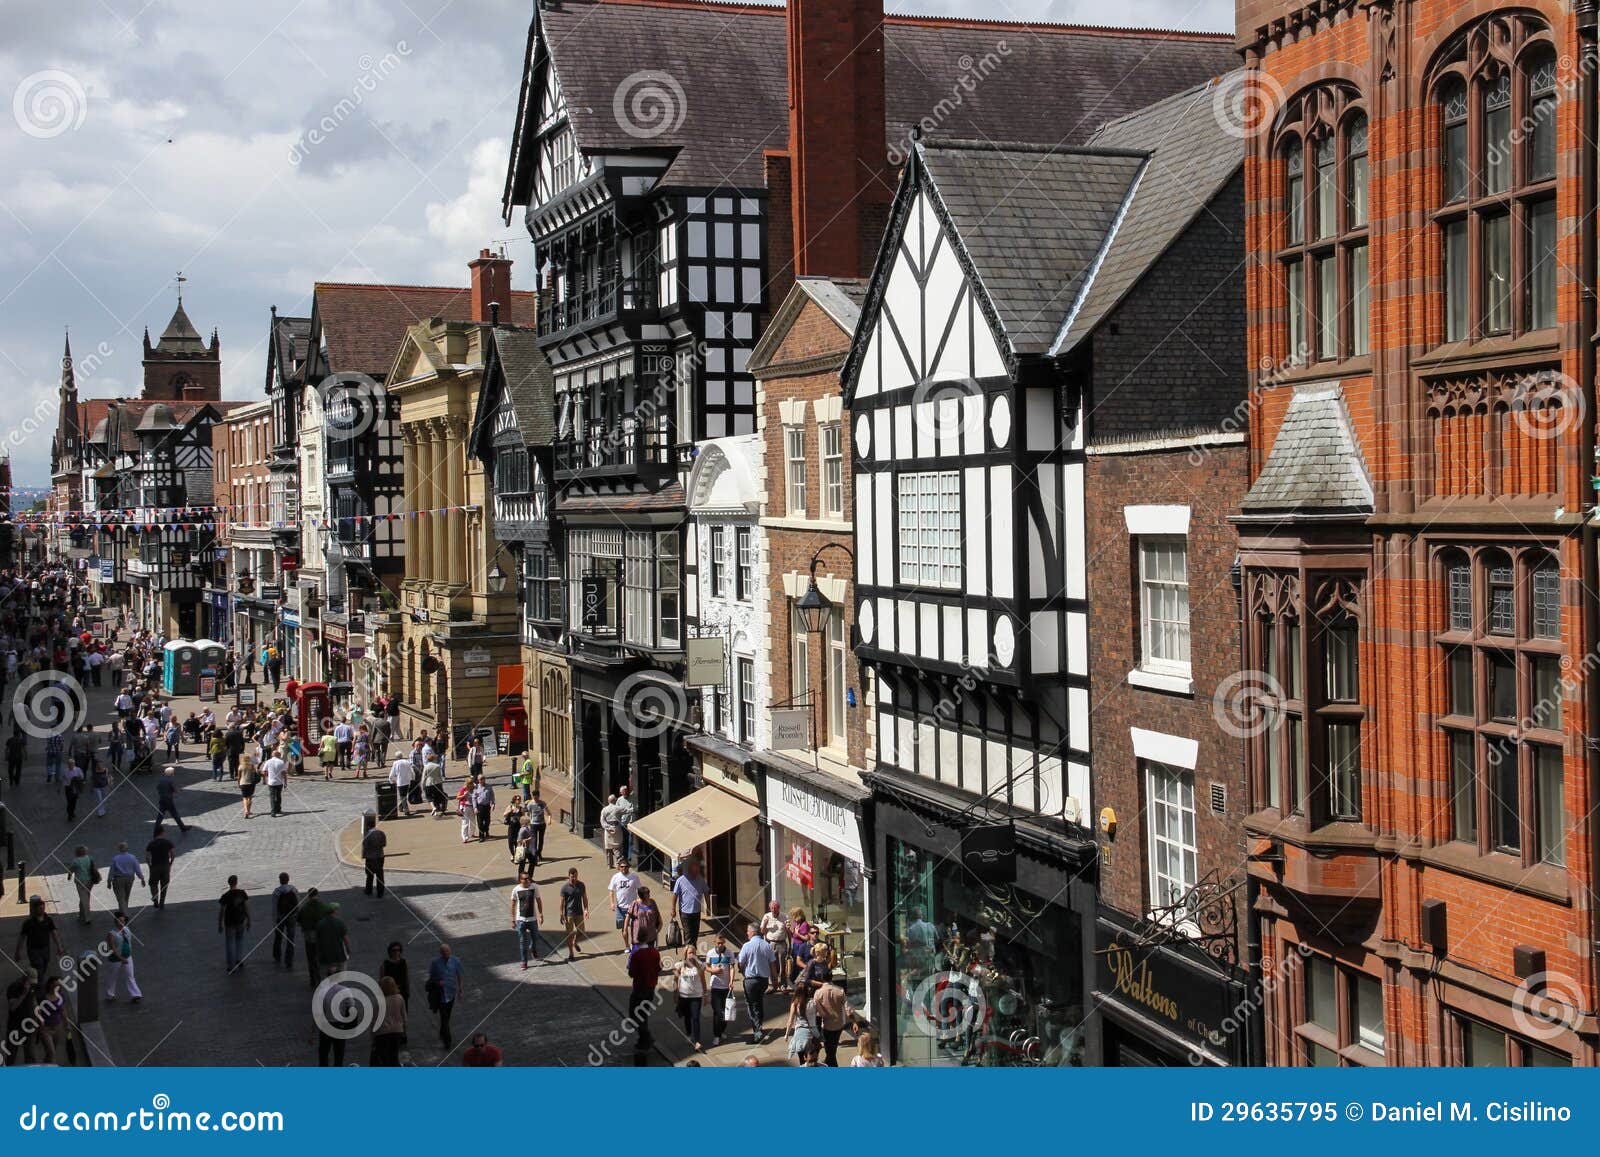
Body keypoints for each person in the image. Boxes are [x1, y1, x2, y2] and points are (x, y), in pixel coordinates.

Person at [736, 922, 776, 1045]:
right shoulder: (767, 946)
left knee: (751, 1005)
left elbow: (740, 963)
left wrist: (742, 971)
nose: (747, 933)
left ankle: (757, 1031)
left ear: (752, 932)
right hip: (763, 980)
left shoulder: (746, 946)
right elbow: (772, 964)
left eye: (748, 931)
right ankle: (759, 1026)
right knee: (758, 1003)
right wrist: (775, 979)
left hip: (751, 980)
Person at [808, 978, 860, 1066]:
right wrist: (854, 1022)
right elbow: (848, 1009)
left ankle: (830, 1065)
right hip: (838, 1025)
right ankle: (828, 1064)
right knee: (832, 1050)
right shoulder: (840, 990)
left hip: (826, 1025)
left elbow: (817, 1012)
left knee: (830, 1051)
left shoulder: (818, 993)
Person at [626, 937, 662, 1056]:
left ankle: (646, 1037)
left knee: (633, 1014)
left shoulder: (637, 955)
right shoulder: (655, 953)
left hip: (639, 988)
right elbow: (659, 968)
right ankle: (643, 1041)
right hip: (650, 988)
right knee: (644, 1015)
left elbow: (631, 973)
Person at [15, 897, 63, 981]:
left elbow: (54, 933)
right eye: (40, 908)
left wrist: (59, 946)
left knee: (44, 965)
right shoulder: (28, 923)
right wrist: (18, 951)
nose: (42, 910)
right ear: (34, 909)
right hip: (33, 950)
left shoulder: (48, 920)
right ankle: (39, 984)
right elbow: (22, 938)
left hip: (45, 948)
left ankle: (35, 979)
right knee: (38, 967)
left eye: (43, 908)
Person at [426, 943, 465, 1049]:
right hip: (440, 994)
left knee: (447, 1015)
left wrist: (461, 989)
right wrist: (438, 982)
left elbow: (459, 975)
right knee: (444, 1016)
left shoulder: (456, 961)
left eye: (447, 952)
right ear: (440, 953)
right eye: (443, 952)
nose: (446, 954)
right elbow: (431, 978)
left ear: (450, 951)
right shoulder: (435, 963)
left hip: (451, 993)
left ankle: (442, 1031)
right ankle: (448, 1041)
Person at [673, 944, 709, 1052]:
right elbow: (675, 980)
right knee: (687, 1017)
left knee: (696, 1018)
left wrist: (706, 995)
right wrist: (675, 993)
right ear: (685, 954)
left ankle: (697, 1041)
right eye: (689, 953)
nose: (692, 955)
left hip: (696, 996)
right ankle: (689, 1034)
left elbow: (703, 981)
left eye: (693, 952)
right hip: (684, 996)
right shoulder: (679, 965)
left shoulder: (700, 965)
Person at [103, 911, 142, 1004]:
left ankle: (136, 994)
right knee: (113, 977)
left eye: (123, 921)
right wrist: (121, 958)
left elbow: (129, 942)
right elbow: (112, 948)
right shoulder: (111, 934)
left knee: (130, 975)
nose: (122, 923)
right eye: (120, 921)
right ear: (116, 922)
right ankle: (110, 995)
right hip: (115, 959)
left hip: (127, 956)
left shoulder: (127, 929)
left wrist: (128, 953)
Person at [704, 932, 735, 1047]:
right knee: (718, 1012)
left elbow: (732, 967)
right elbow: (706, 967)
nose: (720, 945)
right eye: (718, 943)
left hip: (726, 987)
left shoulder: (729, 953)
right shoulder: (710, 953)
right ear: (714, 943)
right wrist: (713, 971)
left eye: (722, 943)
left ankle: (721, 1031)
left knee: (726, 1012)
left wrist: (731, 982)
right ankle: (716, 1035)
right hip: (716, 987)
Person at [296, 888, 331, 989]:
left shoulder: (304, 908)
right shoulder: (323, 906)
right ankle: (324, 978)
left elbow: (298, 920)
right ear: (317, 894)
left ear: (308, 895)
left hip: (309, 937)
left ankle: (313, 979)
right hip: (322, 937)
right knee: (322, 957)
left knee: (311, 958)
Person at [370, 975, 407, 1066]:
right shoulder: (399, 998)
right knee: (394, 1056)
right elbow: (404, 1017)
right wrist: (404, 1031)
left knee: (383, 1057)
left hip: (382, 1032)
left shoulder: (377, 1001)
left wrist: (372, 1035)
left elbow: (374, 1020)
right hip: (397, 1031)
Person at [510, 870, 543, 969]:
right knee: (522, 942)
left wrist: (541, 914)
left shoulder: (534, 887)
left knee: (535, 937)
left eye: (528, 878)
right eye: (525, 879)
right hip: (521, 920)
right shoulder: (516, 890)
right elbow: (513, 905)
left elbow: (538, 901)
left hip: (532, 919)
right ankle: (524, 962)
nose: (528, 880)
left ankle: (532, 948)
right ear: (520, 880)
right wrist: (512, 919)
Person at [672, 859, 708, 948]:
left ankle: (692, 951)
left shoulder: (700, 879)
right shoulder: (680, 880)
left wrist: (708, 906)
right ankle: (689, 954)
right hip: (685, 912)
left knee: (695, 933)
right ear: (689, 870)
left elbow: (706, 892)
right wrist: (673, 909)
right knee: (688, 934)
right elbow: (675, 895)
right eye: (695, 871)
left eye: (697, 871)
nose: (696, 873)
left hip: (696, 911)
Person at [218, 875, 251, 973]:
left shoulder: (225, 896)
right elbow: (246, 907)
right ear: (236, 882)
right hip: (240, 920)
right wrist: (249, 919)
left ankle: (230, 965)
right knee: (239, 940)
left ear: (229, 883)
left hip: (229, 922)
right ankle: (239, 959)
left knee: (229, 943)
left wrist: (220, 924)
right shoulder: (242, 893)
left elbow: (222, 911)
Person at [608, 858, 641, 948]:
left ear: (629, 867)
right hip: (620, 907)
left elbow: (639, 889)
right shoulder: (615, 877)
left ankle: (633, 943)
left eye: (626, 867)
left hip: (632, 907)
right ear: (619, 867)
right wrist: (612, 903)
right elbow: (611, 891)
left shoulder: (634, 876)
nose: (624, 868)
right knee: (624, 928)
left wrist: (640, 900)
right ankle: (627, 946)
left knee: (634, 927)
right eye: (622, 867)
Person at [559, 867, 588, 962]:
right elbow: (562, 902)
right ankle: (571, 953)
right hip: (569, 914)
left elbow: (584, 897)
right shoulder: (565, 888)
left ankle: (575, 942)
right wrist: (561, 914)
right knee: (569, 934)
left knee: (582, 931)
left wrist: (586, 909)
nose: (574, 878)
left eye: (575, 876)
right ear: (569, 876)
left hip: (579, 912)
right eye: (572, 877)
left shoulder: (581, 885)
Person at [760, 900, 790, 992]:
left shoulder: (784, 917)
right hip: (770, 943)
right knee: (771, 965)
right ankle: (772, 985)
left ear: (778, 908)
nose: (773, 910)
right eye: (772, 908)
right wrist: (765, 924)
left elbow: (789, 932)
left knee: (782, 965)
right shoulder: (766, 916)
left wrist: (790, 945)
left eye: (775, 908)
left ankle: (782, 984)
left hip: (781, 943)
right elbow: (762, 931)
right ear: (770, 908)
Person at [315, 902, 351, 977]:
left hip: (325, 953)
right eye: (337, 909)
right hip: (338, 952)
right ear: (334, 911)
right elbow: (345, 938)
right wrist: (348, 948)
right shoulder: (339, 922)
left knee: (329, 969)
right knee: (339, 971)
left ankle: (330, 978)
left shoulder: (320, 923)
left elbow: (317, 939)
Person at [107, 842, 144, 913]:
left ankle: (124, 913)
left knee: (121, 898)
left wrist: (109, 881)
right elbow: (137, 869)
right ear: (127, 849)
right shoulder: (132, 857)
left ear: (119, 849)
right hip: (129, 878)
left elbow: (111, 871)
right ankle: (124, 911)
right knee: (126, 896)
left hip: (118, 879)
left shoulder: (115, 858)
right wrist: (141, 878)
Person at [145, 825, 176, 909]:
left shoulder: (151, 843)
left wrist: (149, 865)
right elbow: (173, 854)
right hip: (165, 866)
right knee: (164, 885)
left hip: (155, 866)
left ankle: (155, 898)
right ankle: (162, 903)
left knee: (153, 883)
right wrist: (170, 863)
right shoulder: (168, 842)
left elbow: (147, 857)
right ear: (162, 832)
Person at [784, 982, 816, 1063]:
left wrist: (787, 1035)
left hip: (799, 1033)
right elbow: (820, 1015)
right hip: (811, 1032)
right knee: (811, 1057)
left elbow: (790, 1021)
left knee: (802, 1058)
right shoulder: (812, 1002)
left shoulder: (795, 1004)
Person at [65, 846, 96, 924]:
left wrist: (69, 876)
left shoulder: (76, 861)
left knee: (84, 899)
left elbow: (70, 870)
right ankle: (82, 915)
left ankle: (87, 918)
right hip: (90, 881)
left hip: (80, 882)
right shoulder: (89, 858)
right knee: (85, 898)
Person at [155, 767, 189, 833]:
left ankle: (156, 829)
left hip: (162, 799)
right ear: (171, 773)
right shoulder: (170, 781)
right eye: (173, 773)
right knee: (175, 814)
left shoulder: (161, 780)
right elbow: (175, 790)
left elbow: (158, 788)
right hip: (168, 800)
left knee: (160, 816)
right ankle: (183, 828)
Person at [380, 942, 411, 1007]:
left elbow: (406, 977)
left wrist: (407, 990)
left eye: (398, 950)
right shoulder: (385, 964)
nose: (396, 952)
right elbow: (381, 980)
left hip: (402, 991)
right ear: (390, 952)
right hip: (390, 992)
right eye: (394, 950)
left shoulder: (404, 962)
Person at [362, 821, 387, 898]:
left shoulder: (367, 835)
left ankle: (368, 890)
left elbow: (365, 846)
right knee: (380, 874)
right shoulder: (381, 833)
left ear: (368, 826)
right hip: (380, 856)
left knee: (370, 875)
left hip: (370, 857)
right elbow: (384, 844)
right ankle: (380, 892)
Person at [599, 793, 623, 868]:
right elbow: (627, 810)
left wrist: (608, 827)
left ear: (608, 801)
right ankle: (618, 864)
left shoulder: (604, 809)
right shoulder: (617, 808)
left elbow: (602, 821)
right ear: (615, 800)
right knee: (617, 847)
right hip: (616, 829)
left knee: (608, 848)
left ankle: (609, 864)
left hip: (608, 830)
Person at [387, 750, 414, 818]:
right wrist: (412, 778)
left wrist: (391, 779)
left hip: (400, 781)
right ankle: (401, 806)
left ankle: (406, 810)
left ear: (396, 757)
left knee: (402, 796)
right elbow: (411, 771)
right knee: (404, 795)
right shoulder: (407, 762)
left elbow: (392, 772)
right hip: (407, 781)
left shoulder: (396, 763)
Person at [262, 749, 287, 817]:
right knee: (278, 796)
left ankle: (273, 811)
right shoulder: (281, 762)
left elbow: (264, 771)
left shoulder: (268, 761)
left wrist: (264, 780)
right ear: (278, 755)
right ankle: (278, 809)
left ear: (272, 755)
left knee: (272, 797)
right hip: (279, 782)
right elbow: (284, 773)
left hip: (271, 782)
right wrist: (285, 782)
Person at [525, 792, 548, 863]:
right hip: (533, 824)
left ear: (539, 796)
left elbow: (547, 811)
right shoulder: (530, 804)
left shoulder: (542, 803)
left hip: (542, 824)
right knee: (534, 840)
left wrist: (549, 819)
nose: (535, 799)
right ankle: (535, 855)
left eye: (537, 797)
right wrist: (528, 820)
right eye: (534, 797)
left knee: (541, 840)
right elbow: (528, 813)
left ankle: (539, 853)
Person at [471, 775, 495, 842]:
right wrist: (475, 808)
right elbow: (474, 798)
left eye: (483, 779)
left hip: (487, 806)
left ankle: (486, 831)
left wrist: (493, 804)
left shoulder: (489, 787)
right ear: (478, 780)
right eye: (480, 779)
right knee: (480, 822)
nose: (482, 780)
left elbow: (492, 796)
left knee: (487, 821)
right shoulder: (476, 787)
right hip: (480, 806)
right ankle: (481, 836)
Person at [503, 794, 524, 859]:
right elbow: (504, 815)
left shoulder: (521, 808)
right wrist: (509, 811)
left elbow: (523, 817)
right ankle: (512, 854)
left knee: (517, 842)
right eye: (518, 799)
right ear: (514, 800)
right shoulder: (510, 807)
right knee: (510, 842)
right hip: (511, 827)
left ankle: (516, 855)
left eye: (520, 799)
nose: (519, 801)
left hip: (518, 827)